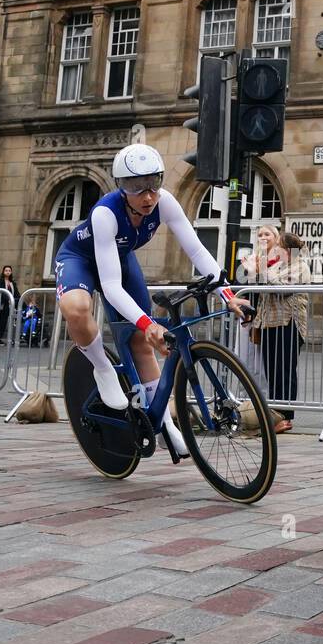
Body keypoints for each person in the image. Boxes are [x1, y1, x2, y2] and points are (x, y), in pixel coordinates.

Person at [54, 143, 252, 458]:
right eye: (136, 186)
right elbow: (111, 287)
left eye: (154, 183)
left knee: (142, 344)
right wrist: (147, 323)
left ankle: (163, 424)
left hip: (120, 259)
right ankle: (103, 369)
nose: (147, 195)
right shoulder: (106, 213)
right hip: (81, 259)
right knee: (77, 309)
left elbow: (198, 251)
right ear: (121, 187)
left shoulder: (165, 203)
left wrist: (227, 295)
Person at [242, 225, 311, 434]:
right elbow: (260, 287)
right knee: (272, 372)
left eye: (279, 247)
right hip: (268, 324)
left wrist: (261, 270)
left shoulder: (300, 266)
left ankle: (286, 416)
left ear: (288, 250)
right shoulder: (276, 265)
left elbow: (282, 289)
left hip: (289, 324)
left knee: (285, 371)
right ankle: (275, 414)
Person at [0, 265, 19, 345]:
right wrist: (9, 299)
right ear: (3, 272)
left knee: (3, 322)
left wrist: (21, 301)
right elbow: (2, 292)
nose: (8, 272)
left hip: (7, 305)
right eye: (6, 270)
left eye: (9, 270)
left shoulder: (12, 282)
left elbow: (16, 293)